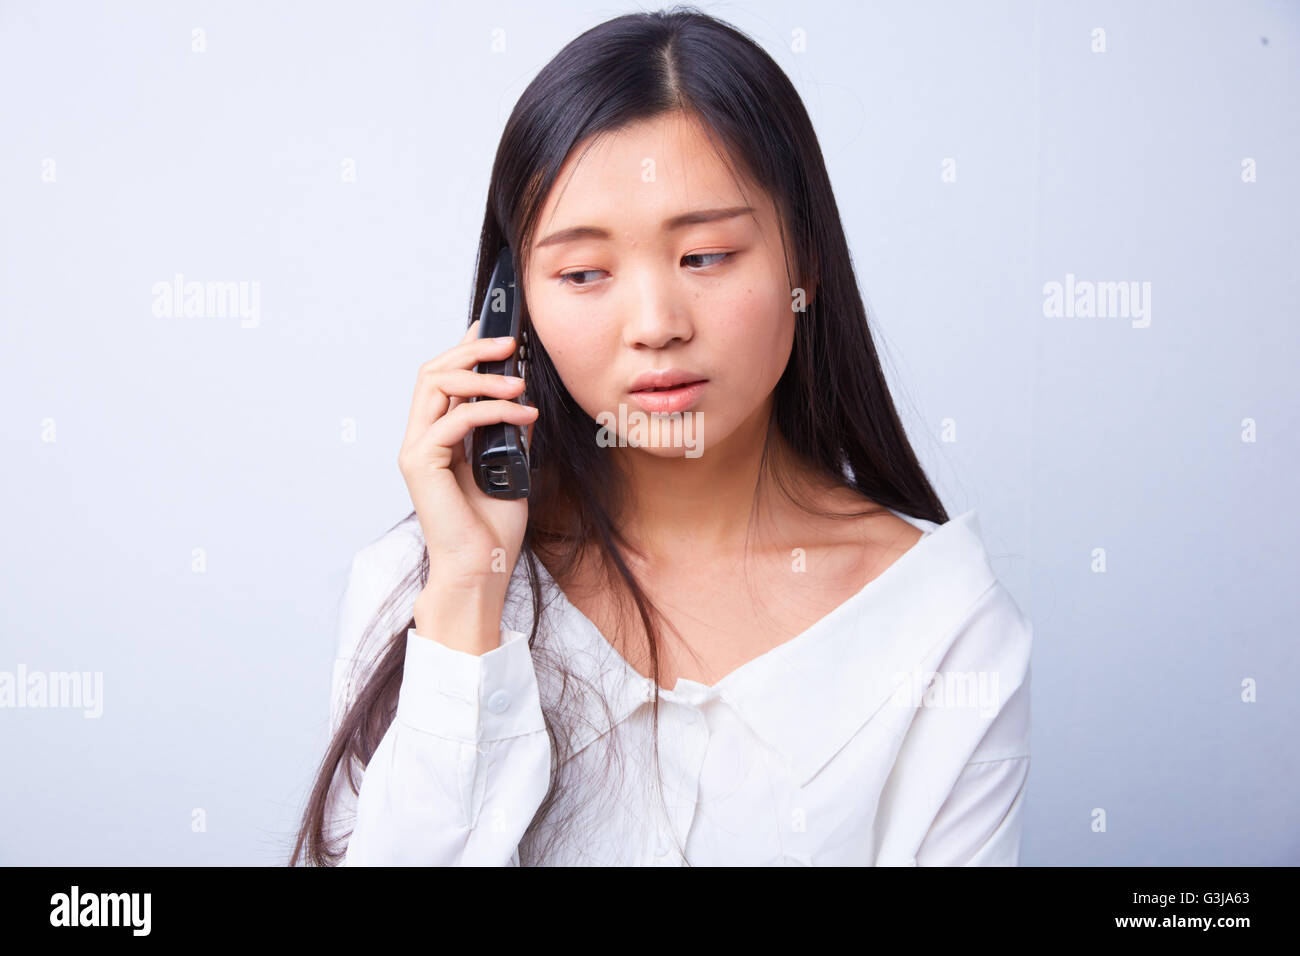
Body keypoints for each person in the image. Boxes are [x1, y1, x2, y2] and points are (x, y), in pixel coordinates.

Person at [291, 6, 1032, 867]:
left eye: (706, 256)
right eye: (583, 274)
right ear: (513, 303)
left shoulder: (945, 623)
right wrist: (468, 592)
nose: (655, 325)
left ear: (806, 260)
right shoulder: (422, 586)